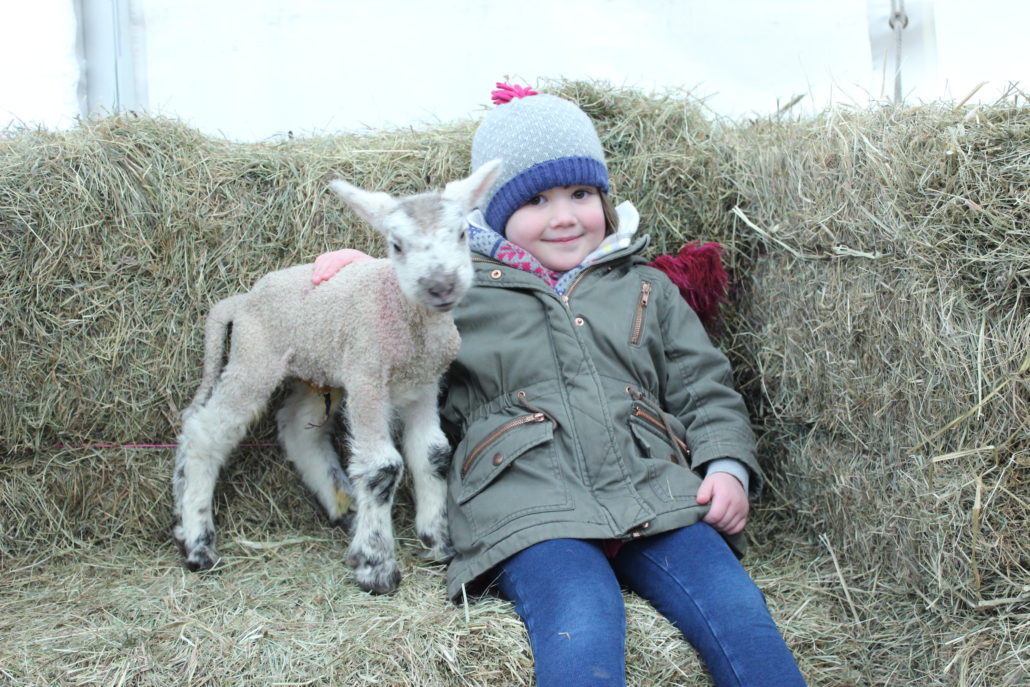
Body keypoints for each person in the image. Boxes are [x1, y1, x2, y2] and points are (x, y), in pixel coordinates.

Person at [313, 83, 806, 687]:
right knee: (581, 625)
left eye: (580, 193)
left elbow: (703, 385)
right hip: (528, 508)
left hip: (658, 494)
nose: (566, 216)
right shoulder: (459, 298)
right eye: (537, 201)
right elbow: (399, 347)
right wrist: (360, 279)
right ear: (492, 214)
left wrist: (726, 464)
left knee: (738, 614)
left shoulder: (646, 286)